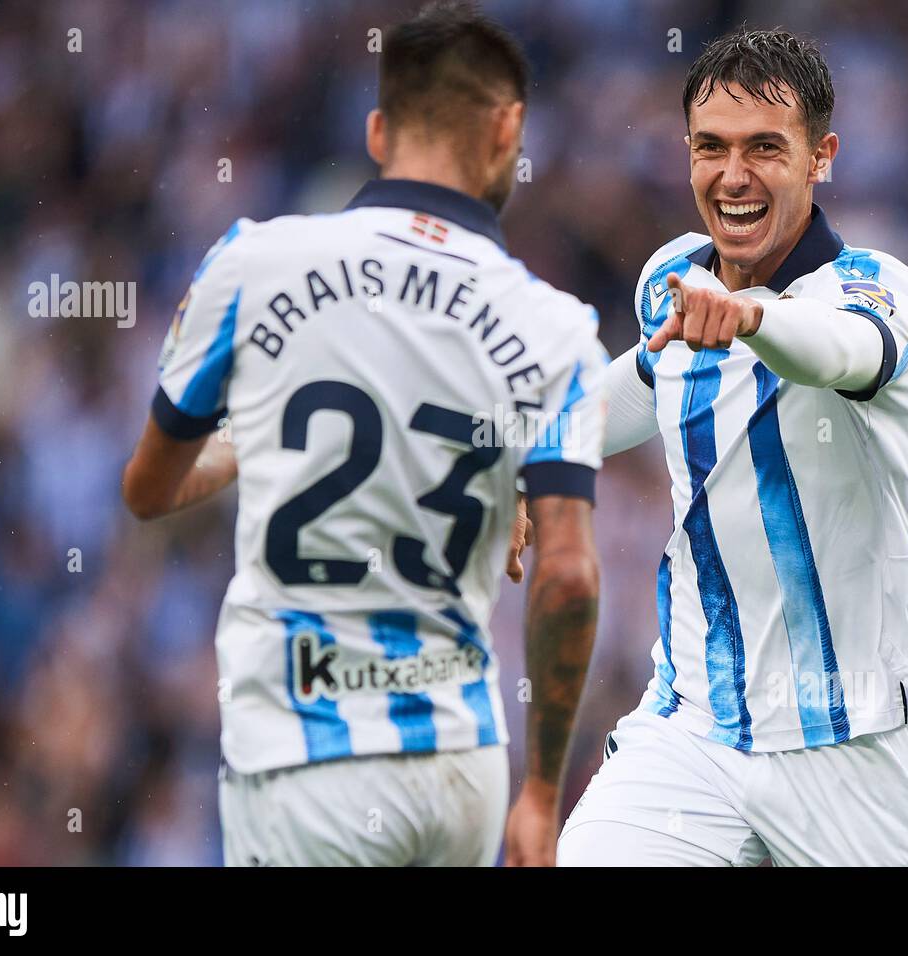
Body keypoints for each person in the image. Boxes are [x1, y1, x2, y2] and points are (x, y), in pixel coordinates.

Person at [122, 0, 606, 867]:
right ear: (509, 132)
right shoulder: (556, 326)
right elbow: (566, 577)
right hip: (461, 763)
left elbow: (148, 490)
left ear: (379, 131)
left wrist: (251, 441)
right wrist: (541, 790)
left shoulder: (252, 262)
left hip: (307, 757)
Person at [554, 26, 908, 866]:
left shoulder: (879, 291)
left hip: (853, 741)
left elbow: (842, 352)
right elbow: (646, 380)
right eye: (712, 148)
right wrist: (541, 462)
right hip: (694, 726)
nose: (733, 176)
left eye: (765, 148)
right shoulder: (675, 279)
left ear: (822, 157)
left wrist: (753, 318)